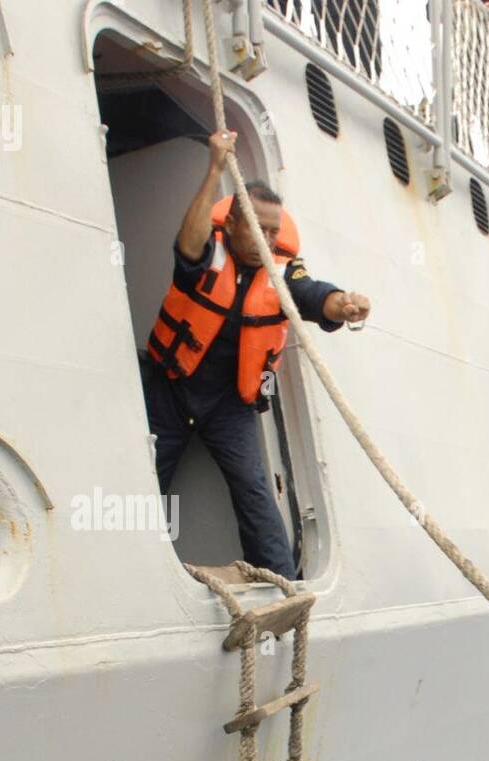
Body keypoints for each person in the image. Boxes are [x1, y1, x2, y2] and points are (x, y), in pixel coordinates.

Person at [142, 130, 370, 579]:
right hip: (169, 387)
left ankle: (280, 584)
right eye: (257, 227)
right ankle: (145, 572)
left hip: (231, 404)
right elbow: (186, 246)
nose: (267, 237)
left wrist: (341, 303)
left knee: (253, 488)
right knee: (146, 481)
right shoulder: (209, 250)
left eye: (273, 230)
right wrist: (213, 169)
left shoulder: (282, 268)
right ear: (232, 224)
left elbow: (310, 293)